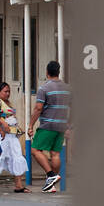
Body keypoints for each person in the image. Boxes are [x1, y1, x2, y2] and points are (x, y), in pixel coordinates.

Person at [28, 60, 71, 192]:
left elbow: (38, 108)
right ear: (59, 72)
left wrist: (30, 125)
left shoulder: (44, 88)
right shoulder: (67, 88)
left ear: (47, 73)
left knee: (35, 150)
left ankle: (51, 175)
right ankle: (51, 185)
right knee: (55, 154)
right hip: (61, 125)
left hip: (48, 124)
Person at [0, 81, 30, 192]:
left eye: (9, 91)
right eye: (5, 91)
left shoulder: (8, 103)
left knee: (17, 156)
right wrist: (2, 122)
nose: (8, 93)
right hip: (1, 134)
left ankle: (18, 185)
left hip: (12, 135)